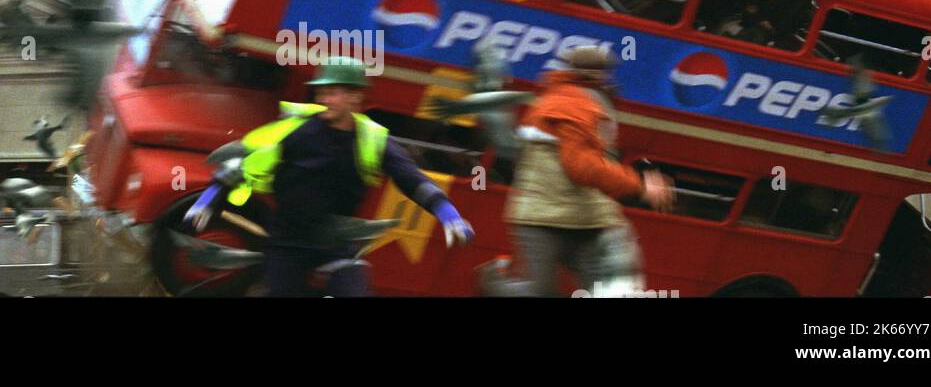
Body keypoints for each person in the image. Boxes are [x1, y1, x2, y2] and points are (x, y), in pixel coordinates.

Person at [185, 56, 475, 297]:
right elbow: (243, 165)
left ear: (355, 97)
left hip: (337, 244)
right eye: (321, 93)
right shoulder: (295, 131)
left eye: (333, 92)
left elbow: (411, 178)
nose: (324, 99)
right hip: (288, 244)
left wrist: (447, 213)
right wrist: (209, 199)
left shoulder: (372, 139)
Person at [481, 46, 674, 297]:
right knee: (543, 293)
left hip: (584, 218)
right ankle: (494, 284)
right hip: (544, 218)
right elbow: (582, 167)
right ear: (596, 75)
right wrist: (639, 185)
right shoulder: (574, 104)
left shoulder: (578, 99)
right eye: (604, 72)